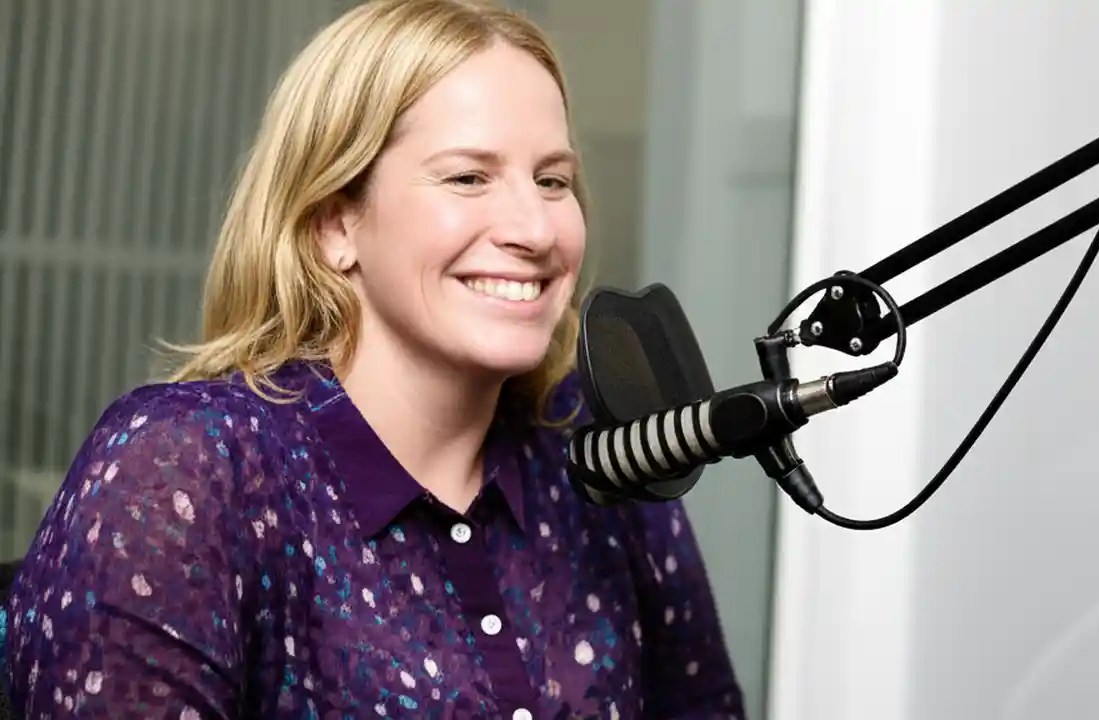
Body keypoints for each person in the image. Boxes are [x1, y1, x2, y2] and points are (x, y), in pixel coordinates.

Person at [0, 1, 744, 717]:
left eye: (552, 181)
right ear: (335, 225)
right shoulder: (186, 470)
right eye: (468, 177)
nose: (536, 229)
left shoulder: (600, 453)